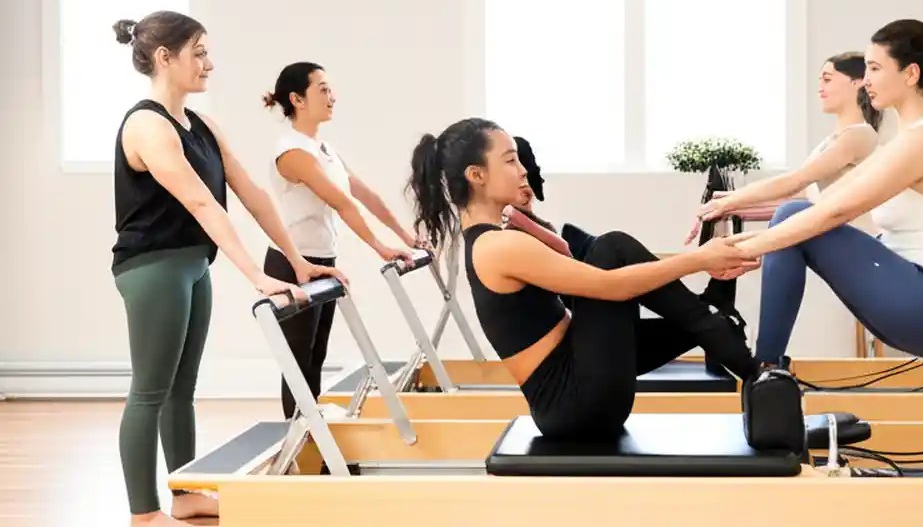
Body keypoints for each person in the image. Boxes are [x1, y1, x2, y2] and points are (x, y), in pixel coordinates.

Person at [110, 12, 346, 527]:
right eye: (198, 52)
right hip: (153, 268)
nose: (208, 62)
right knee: (150, 390)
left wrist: (297, 260)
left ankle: (185, 494)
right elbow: (198, 201)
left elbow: (252, 196)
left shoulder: (202, 125)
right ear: (165, 58)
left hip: (193, 264)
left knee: (181, 390)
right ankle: (143, 516)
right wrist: (259, 276)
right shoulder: (147, 125)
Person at [406, 119, 761, 440]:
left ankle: (718, 317)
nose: (522, 170)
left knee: (688, 313)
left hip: (579, 387)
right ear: (476, 175)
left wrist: (699, 261)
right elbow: (611, 285)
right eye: (511, 160)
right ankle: (748, 365)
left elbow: (596, 275)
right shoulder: (497, 247)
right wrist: (698, 259)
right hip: (576, 404)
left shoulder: (499, 237)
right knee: (612, 246)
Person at [714, 19, 923, 366]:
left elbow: (835, 213)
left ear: (910, 74)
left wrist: (742, 249)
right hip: (912, 290)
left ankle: (765, 369)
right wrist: (744, 232)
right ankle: (767, 367)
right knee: (791, 215)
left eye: (875, 68)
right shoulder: (907, 139)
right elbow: (827, 200)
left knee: (792, 218)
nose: (866, 80)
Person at [261, 61, 419, 419]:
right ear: (297, 99)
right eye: (323, 89)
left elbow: (363, 194)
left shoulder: (323, 149)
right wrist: (381, 248)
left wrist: (406, 237)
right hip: (292, 263)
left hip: (323, 262)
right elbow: (341, 202)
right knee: (299, 362)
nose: (333, 97)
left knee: (316, 358)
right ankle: (300, 445)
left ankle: (315, 444)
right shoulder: (292, 152)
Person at [686, 52, 883, 242]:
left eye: (827, 79)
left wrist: (728, 202)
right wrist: (726, 205)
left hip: (859, 240)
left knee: (786, 222)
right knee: (784, 218)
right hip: (837, 235)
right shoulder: (832, 141)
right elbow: (801, 198)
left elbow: (795, 182)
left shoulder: (859, 135)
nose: (820, 87)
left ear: (856, 83)